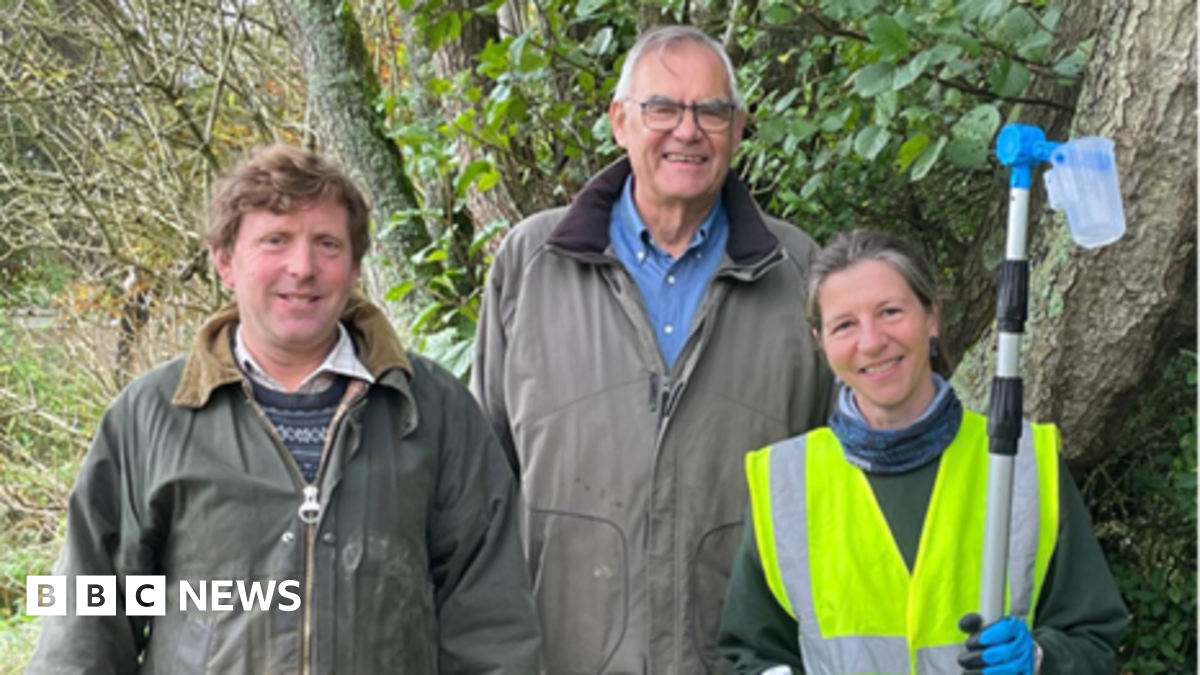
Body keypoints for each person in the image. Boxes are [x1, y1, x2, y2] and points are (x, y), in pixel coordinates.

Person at [26, 144, 541, 674]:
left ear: (356, 266)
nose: (303, 267)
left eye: (327, 244)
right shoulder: (152, 416)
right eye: (275, 241)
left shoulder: (432, 410)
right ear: (224, 260)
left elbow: (490, 620)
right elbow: (88, 611)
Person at [471, 24, 834, 673]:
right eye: (662, 107)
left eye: (711, 110)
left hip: (741, 659)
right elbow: (476, 488)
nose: (687, 130)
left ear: (738, 126)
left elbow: (843, 487)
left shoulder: (798, 270)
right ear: (619, 121)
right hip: (560, 655)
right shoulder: (532, 263)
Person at [717, 229, 1128, 674]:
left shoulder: (1024, 463)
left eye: (890, 312)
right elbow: (755, 653)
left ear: (932, 316)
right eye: (844, 325)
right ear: (820, 342)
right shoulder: (784, 482)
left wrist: (1042, 661)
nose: (871, 342)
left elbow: (1093, 638)